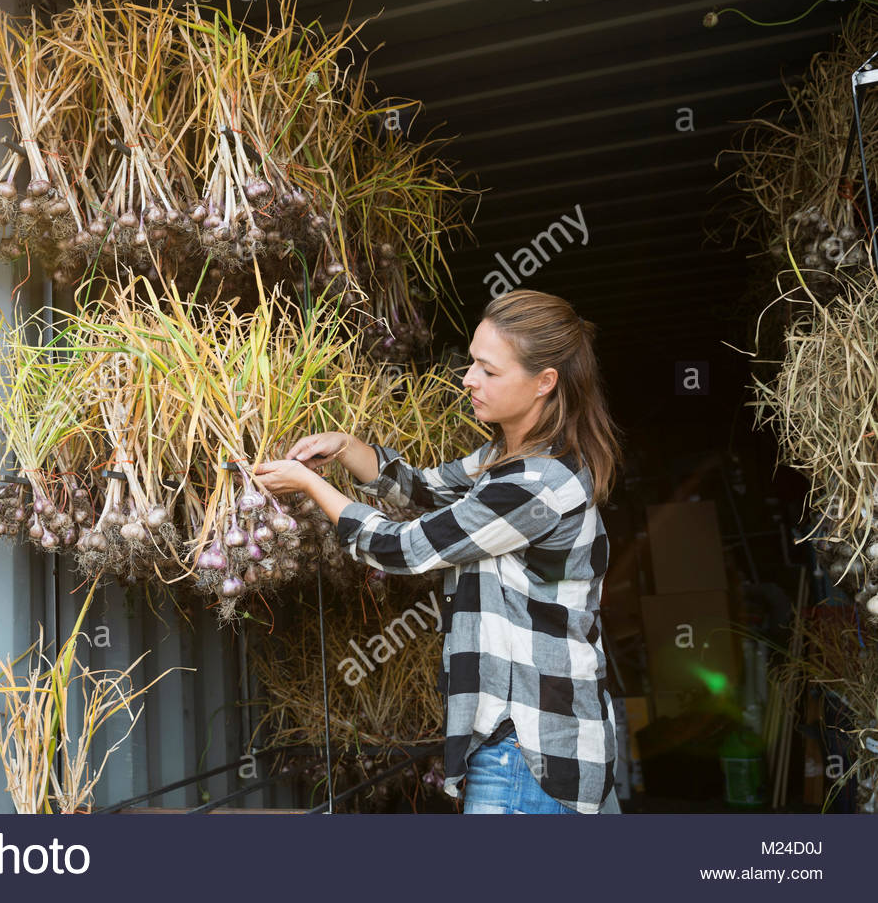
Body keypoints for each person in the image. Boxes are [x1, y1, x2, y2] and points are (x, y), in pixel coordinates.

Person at [254, 289, 624, 814]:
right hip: (517, 742)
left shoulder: (539, 483)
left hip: (532, 749)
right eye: (473, 361)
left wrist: (312, 488)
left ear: (545, 383)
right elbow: (426, 491)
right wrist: (346, 448)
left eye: (489, 371)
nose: (469, 379)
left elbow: (403, 547)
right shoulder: (504, 457)